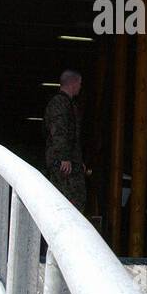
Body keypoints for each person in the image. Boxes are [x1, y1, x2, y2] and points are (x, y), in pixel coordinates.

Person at [44, 69, 88, 212]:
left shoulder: (67, 103)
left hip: (68, 160)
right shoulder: (60, 104)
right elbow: (58, 131)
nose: (80, 87)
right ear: (74, 84)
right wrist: (64, 157)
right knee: (68, 200)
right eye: (80, 83)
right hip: (62, 163)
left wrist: (77, 160)